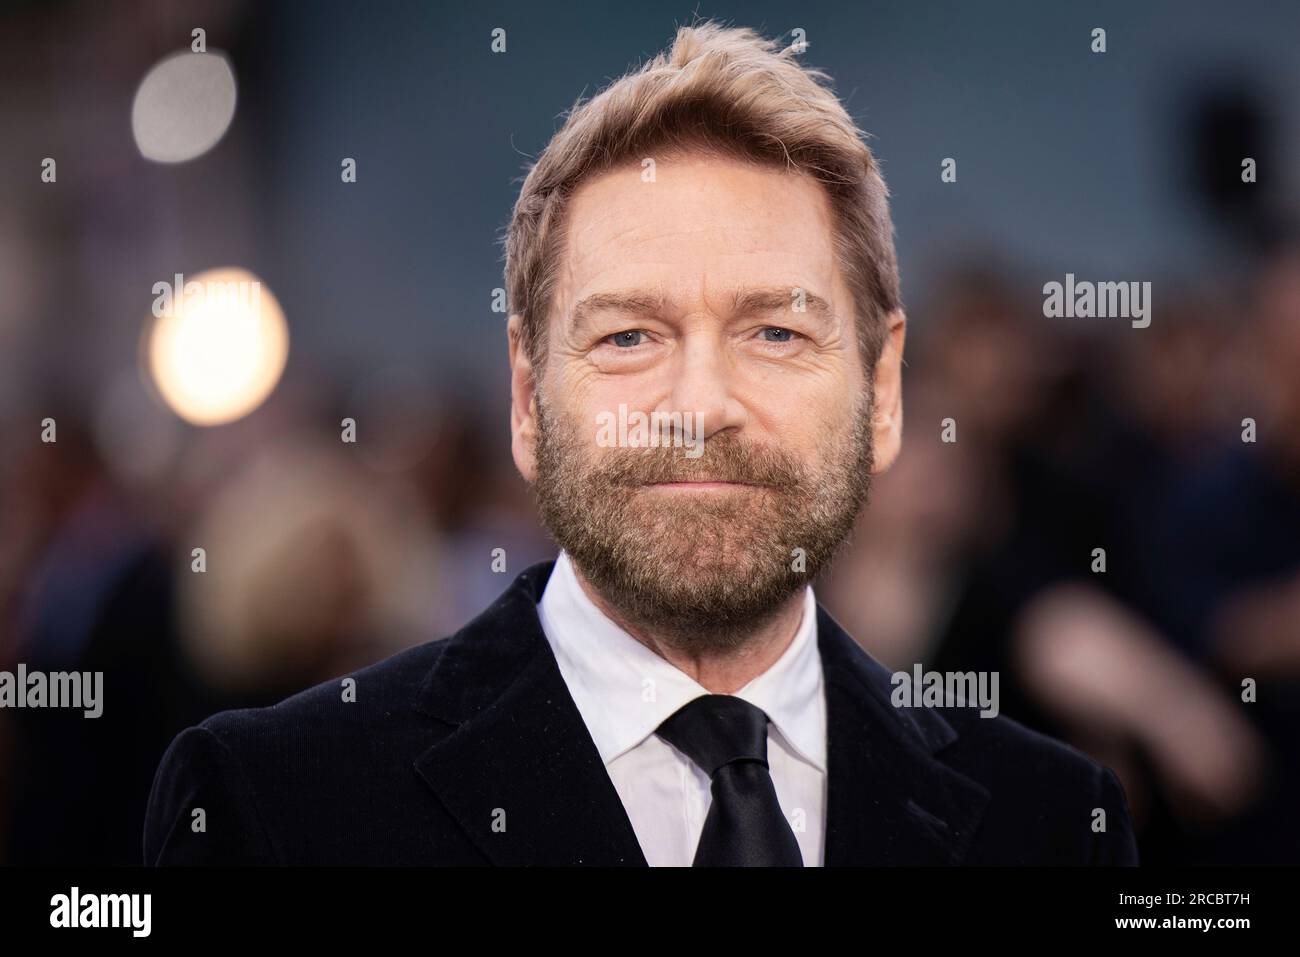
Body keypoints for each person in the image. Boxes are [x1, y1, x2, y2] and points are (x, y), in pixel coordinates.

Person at [145, 21, 1136, 866]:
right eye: (627, 336)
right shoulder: (274, 811)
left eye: (776, 333)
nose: (699, 404)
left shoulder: (1051, 824)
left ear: (881, 392)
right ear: (529, 400)